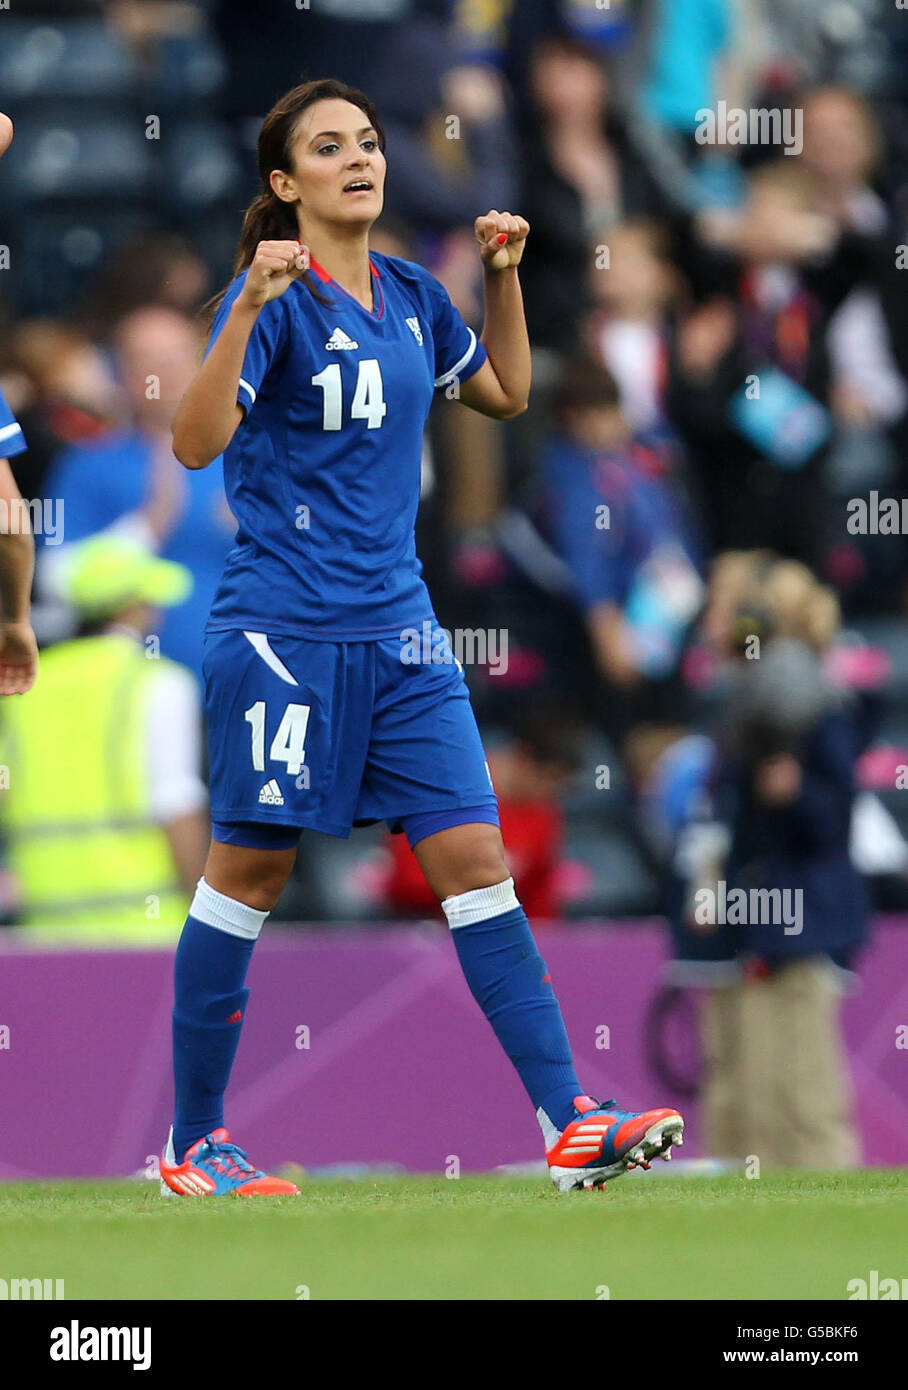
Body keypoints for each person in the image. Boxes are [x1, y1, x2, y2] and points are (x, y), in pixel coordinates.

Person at [162, 77, 683, 1197]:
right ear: (282, 181)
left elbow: (501, 391)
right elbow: (194, 443)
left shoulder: (407, 292)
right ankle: (191, 1141)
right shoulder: (272, 297)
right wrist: (247, 306)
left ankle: (569, 1118)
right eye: (327, 146)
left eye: (367, 141)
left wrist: (498, 281)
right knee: (247, 874)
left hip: (399, 631)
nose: (358, 158)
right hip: (282, 632)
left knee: (478, 861)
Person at [0, 535, 208, 940]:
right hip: (149, 933)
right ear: (133, 607)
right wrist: (211, 925)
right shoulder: (158, 683)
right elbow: (177, 806)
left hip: (44, 934)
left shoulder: (25, 689)